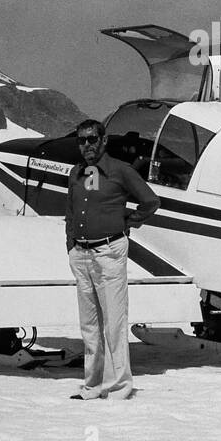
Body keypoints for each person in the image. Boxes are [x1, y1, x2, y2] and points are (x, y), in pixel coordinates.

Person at [65, 118, 160, 400]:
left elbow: (150, 201)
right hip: (81, 254)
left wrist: (128, 221)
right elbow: (71, 210)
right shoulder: (76, 173)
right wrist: (70, 244)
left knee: (114, 322)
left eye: (92, 139)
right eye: (81, 140)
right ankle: (93, 385)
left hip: (109, 252)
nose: (87, 145)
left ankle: (119, 387)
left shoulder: (121, 170)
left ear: (104, 141)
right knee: (89, 324)